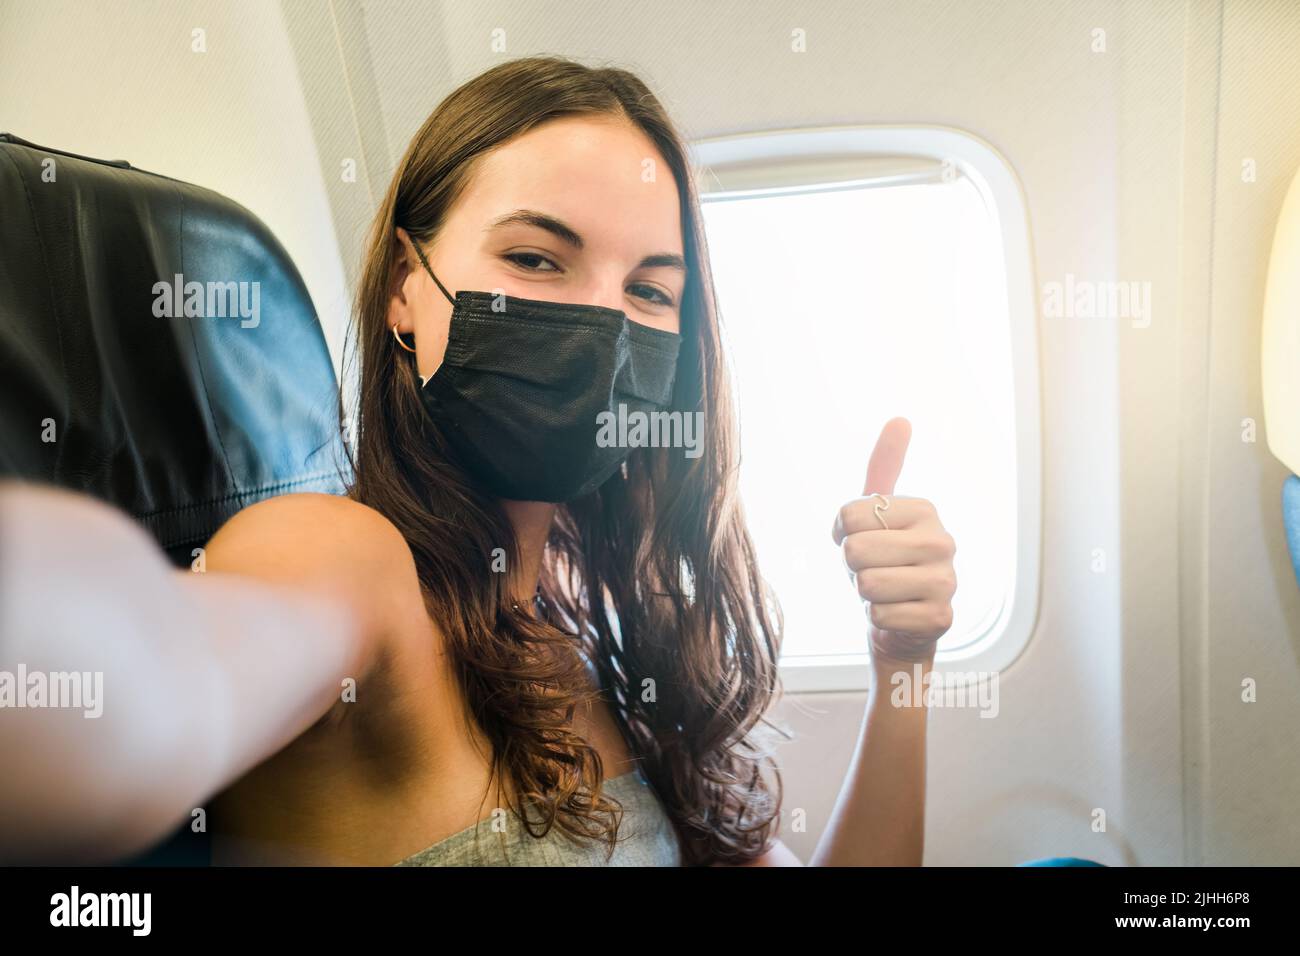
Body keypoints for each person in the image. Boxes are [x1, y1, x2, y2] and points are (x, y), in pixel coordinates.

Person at [0, 55, 958, 867]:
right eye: (537, 260)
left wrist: (903, 666)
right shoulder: (346, 566)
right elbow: (127, 687)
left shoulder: (587, 626)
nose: (600, 323)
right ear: (406, 293)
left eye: (651, 291)